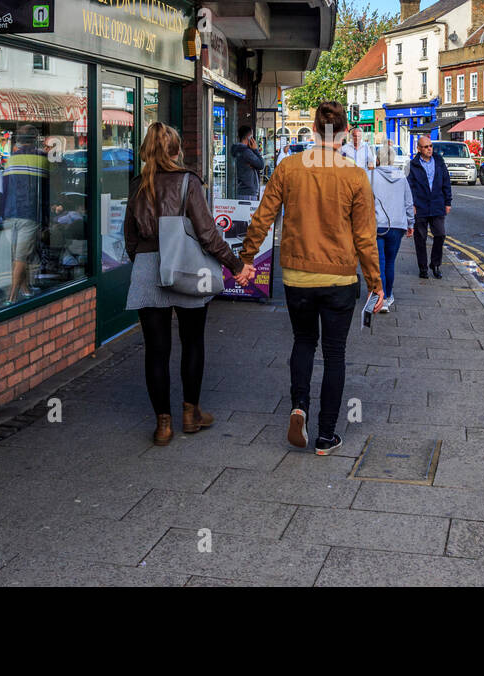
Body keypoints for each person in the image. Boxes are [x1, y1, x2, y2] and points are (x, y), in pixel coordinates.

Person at [238, 101, 382, 456]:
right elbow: (365, 236)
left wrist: (245, 258)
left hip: (298, 277)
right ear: (345, 134)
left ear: (315, 132)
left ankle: (299, 406)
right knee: (335, 354)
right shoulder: (355, 176)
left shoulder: (289, 167)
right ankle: (326, 435)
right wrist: (376, 284)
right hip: (339, 279)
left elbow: (263, 216)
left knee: (303, 342)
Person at [124, 122, 247, 447]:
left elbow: (130, 239)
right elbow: (207, 233)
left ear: (145, 152)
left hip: (149, 271)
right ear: (177, 151)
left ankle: (163, 425)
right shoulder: (188, 182)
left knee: (156, 351)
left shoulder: (137, 184)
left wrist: (148, 263)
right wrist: (236, 266)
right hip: (189, 268)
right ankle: (191, 414)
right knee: (193, 342)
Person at [2, 125, 50, 302]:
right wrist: (46, 218)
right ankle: (12, 296)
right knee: (21, 257)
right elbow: (46, 191)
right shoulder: (41, 158)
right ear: (36, 139)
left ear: (19, 140)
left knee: (16, 256)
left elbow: (5, 190)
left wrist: (2, 214)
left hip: (10, 214)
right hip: (29, 214)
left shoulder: (11, 159)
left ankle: (25, 288)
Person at [371, 142, 414, 312]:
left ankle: (378, 298)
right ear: (393, 159)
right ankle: (387, 297)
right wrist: (410, 223)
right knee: (390, 262)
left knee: (379, 263)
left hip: (376, 225)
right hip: (397, 225)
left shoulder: (371, 175)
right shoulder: (401, 175)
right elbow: (408, 202)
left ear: (378, 159)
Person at [406, 134, 451, 279]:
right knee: (420, 238)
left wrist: (447, 202)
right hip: (420, 206)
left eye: (430, 146)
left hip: (437, 204)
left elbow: (446, 181)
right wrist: (411, 204)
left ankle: (435, 264)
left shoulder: (439, 161)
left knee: (440, 234)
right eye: (425, 147)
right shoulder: (413, 165)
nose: (429, 149)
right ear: (419, 149)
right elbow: (409, 187)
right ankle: (423, 268)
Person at [229, 124, 265, 199]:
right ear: (249, 138)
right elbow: (261, 165)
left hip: (240, 190)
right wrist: (255, 149)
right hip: (248, 192)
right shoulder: (247, 152)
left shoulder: (237, 150)